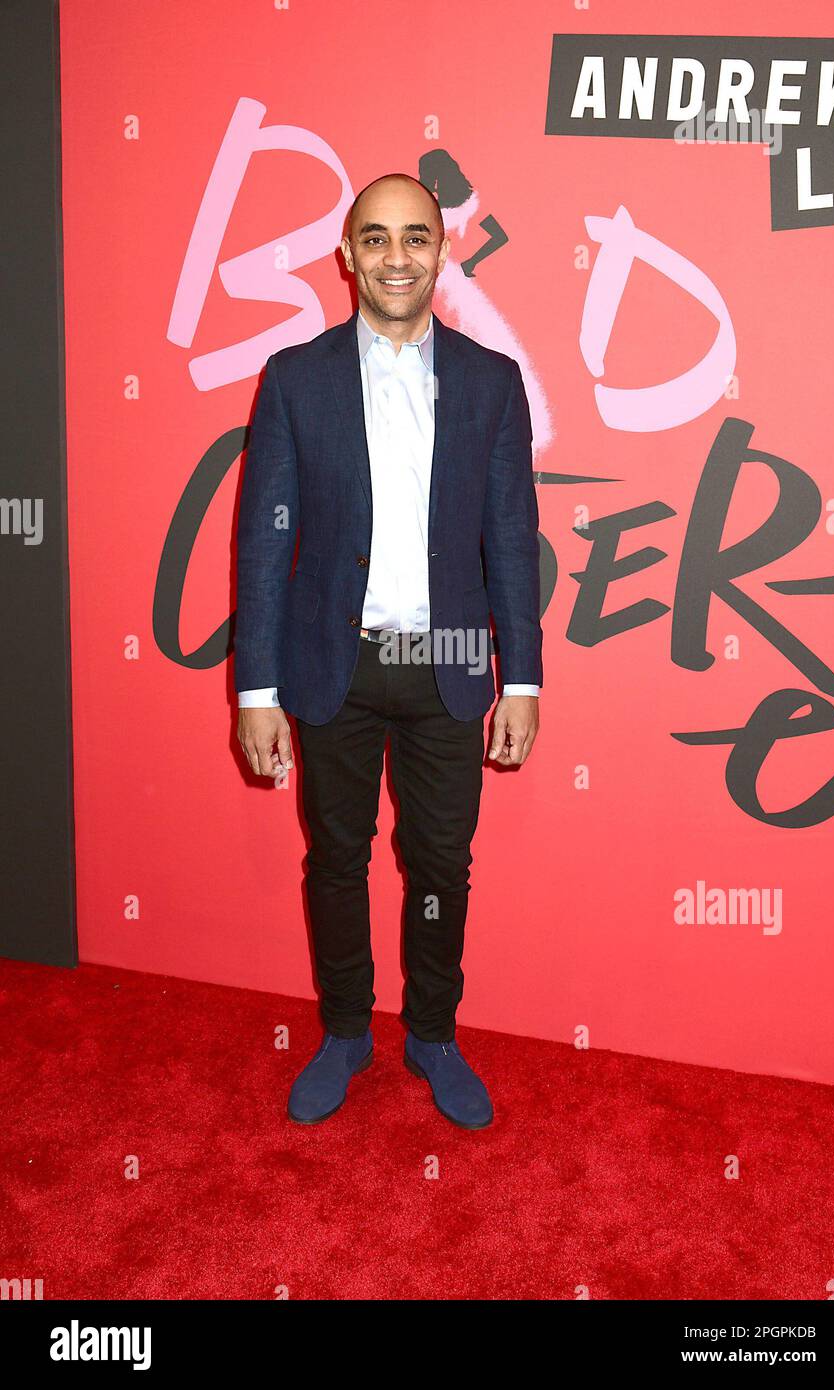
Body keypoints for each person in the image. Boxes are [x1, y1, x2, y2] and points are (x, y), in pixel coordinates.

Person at [234, 172, 542, 1129]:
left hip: (450, 657)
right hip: (336, 658)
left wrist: (522, 678)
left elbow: (511, 538)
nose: (396, 257)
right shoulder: (297, 377)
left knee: (441, 865)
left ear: (443, 252)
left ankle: (434, 1034)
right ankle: (344, 1030)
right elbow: (262, 540)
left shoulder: (491, 382)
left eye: (416, 237)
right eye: (375, 239)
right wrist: (255, 688)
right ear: (347, 257)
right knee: (337, 856)